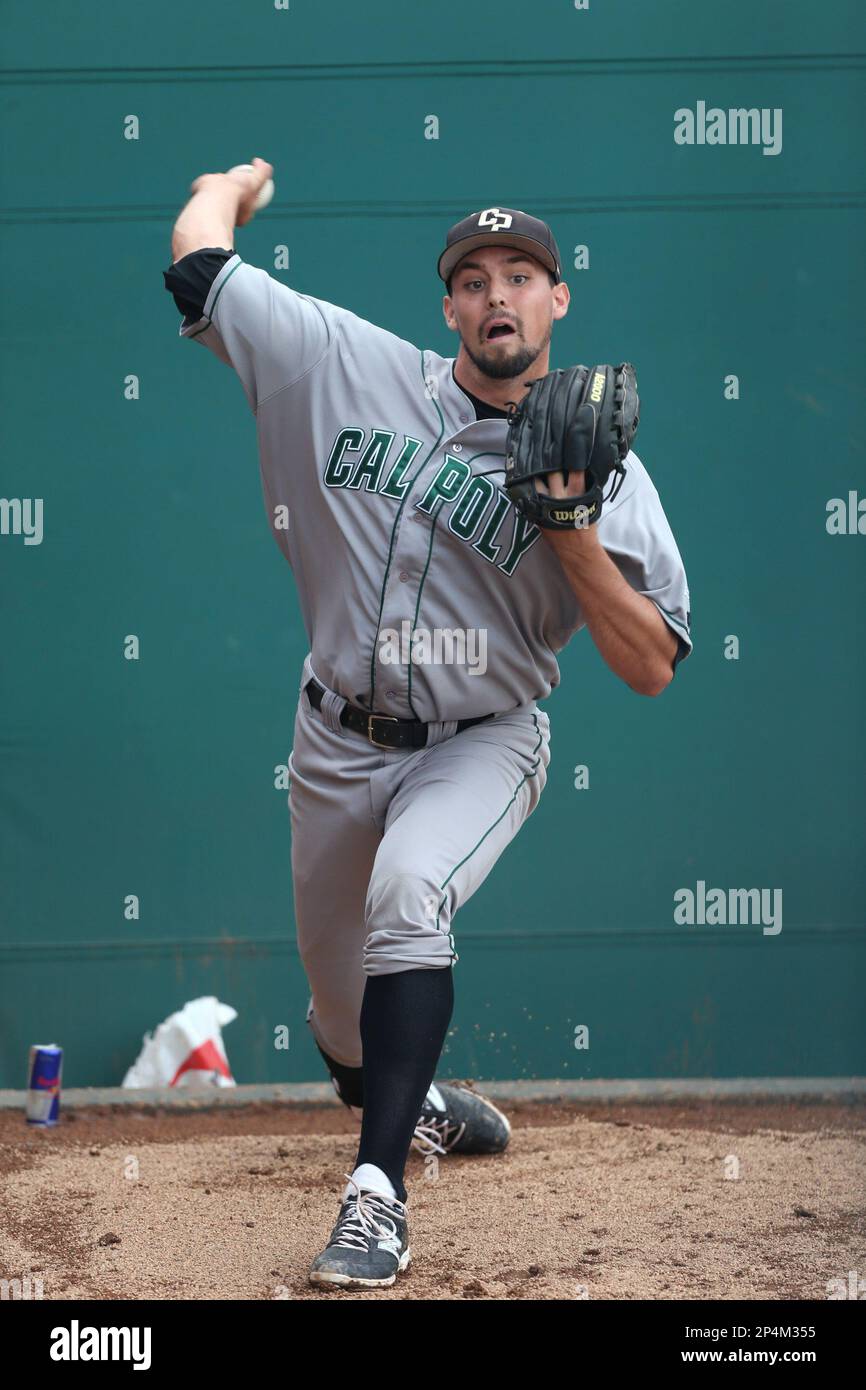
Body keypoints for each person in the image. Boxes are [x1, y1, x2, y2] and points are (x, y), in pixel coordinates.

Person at [163, 159, 692, 1289]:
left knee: (411, 892)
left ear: (558, 300)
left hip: (479, 739)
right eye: (470, 278)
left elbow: (650, 665)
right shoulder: (341, 363)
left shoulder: (608, 472)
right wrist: (228, 184)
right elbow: (201, 265)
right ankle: (420, 1106)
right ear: (447, 306)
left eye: (520, 274)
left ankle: (376, 1197)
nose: (495, 294)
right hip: (332, 740)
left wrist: (569, 531)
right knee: (341, 1029)